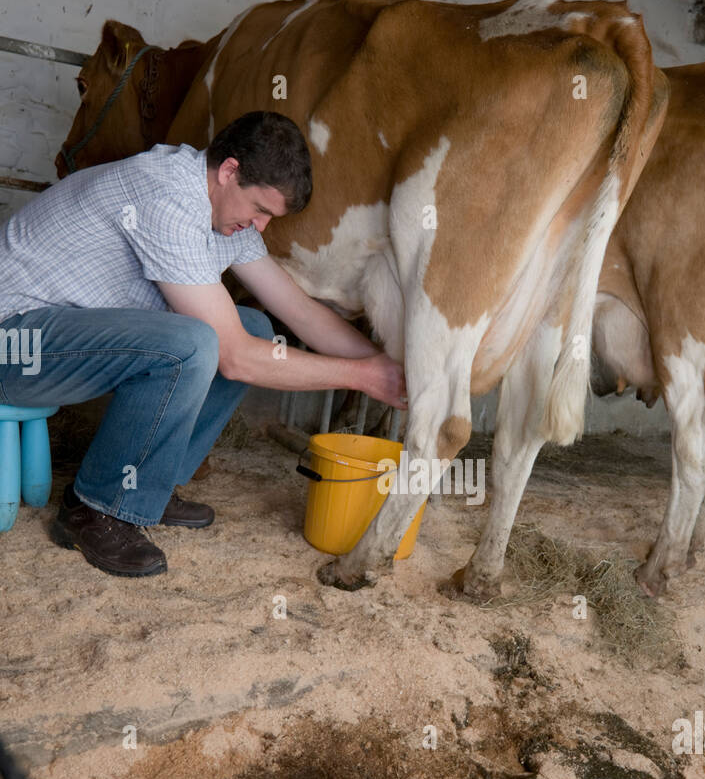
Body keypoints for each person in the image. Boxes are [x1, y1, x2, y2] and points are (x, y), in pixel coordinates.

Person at [0, 110, 407, 577]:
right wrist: (364, 377)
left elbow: (299, 311)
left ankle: (148, 485)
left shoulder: (222, 210)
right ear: (230, 171)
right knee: (196, 343)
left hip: (58, 340)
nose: (260, 227)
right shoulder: (167, 196)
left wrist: (386, 364)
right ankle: (94, 508)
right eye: (260, 210)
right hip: (14, 344)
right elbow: (233, 359)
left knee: (253, 326)